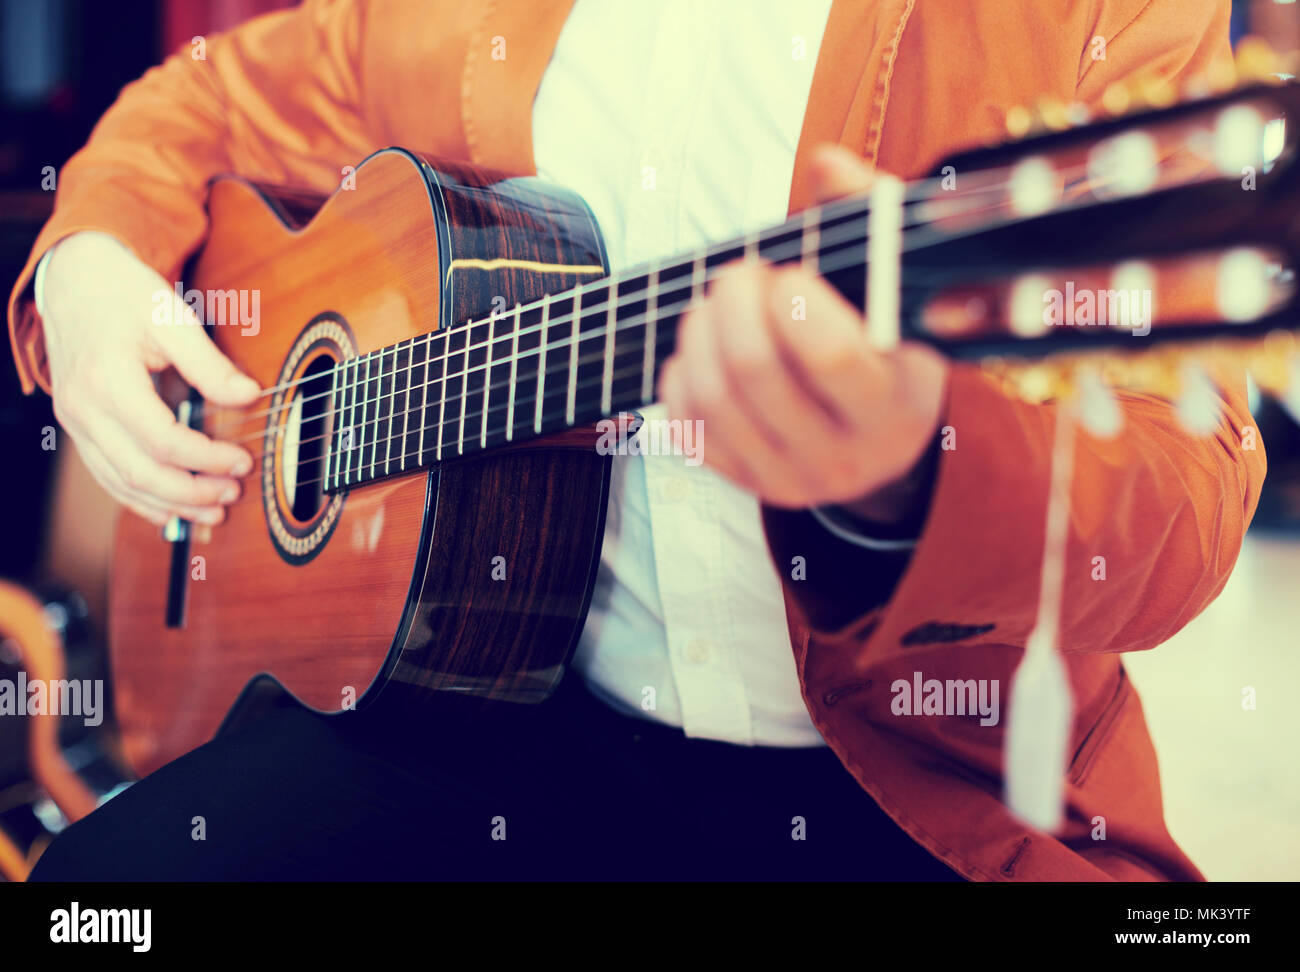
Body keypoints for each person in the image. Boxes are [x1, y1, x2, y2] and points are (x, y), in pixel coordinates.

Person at [9, 0, 1261, 880]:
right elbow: (208, 95)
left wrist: (913, 470)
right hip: (508, 714)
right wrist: (86, 256)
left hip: (916, 791)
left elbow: (1183, 498)